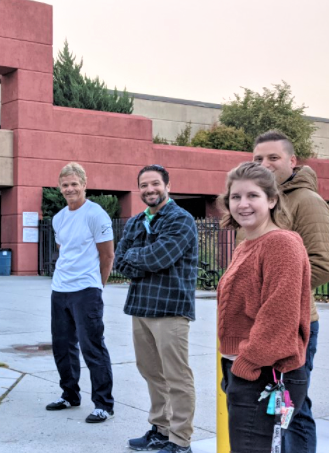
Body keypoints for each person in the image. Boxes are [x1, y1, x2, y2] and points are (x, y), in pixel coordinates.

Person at [251, 130, 329, 453]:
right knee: (275, 406)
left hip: (295, 322)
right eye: (258, 158)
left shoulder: (307, 202)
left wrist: (275, 294)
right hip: (262, 323)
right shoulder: (260, 200)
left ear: (292, 160)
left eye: (273, 157)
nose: (265, 164)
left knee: (293, 407)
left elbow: (324, 264)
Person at [217, 161, 311, 453]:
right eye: (235, 197)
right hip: (245, 368)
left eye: (252, 196)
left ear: (271, 200)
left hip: (265, 371)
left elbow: (279, 315)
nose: (243, 204)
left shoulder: (281, 243)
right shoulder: (246, 244)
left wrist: (245, 364)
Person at [114, 164, 197, 453]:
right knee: (151, 372)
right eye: (144, 185)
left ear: (167, 186)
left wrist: (136, 258)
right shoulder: (137, 221)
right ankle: (161, 429)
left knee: (176, 376)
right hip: (141, 307)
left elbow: (159, 258)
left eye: (155, 184)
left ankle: (180, 440)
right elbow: (119, 262)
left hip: (171, 308)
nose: (150, 190)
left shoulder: (181, 219)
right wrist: (139, 258)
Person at [46, 162, 116, 424]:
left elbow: (107, 254)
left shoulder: (96, 214)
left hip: (86, 290)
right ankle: (70, 394)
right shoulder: (59, 218)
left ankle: (103, 404)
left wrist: (98, 285)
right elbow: (65, 250)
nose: (69, 189)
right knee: (62, 347)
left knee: (92, 347)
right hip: (60, 289)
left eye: (74, 184)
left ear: (84, 185)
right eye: (65, 185)